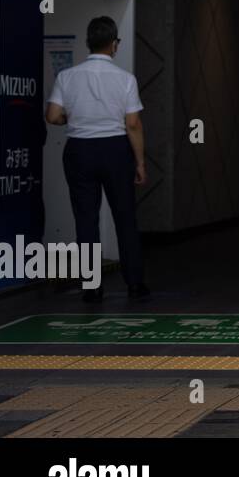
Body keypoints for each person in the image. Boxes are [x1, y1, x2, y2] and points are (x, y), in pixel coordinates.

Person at [44, 16, 149, 302]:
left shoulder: (67, 76)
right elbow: (133, 125)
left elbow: (52, 116)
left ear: (89, 43)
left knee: (86, 219)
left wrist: (72, 117)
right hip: (116, 150)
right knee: (125, 217)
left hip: (79, 151)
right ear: (114, 44)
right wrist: (139, 162)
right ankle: (135, 285)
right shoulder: (125, 79)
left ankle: (91, 286)